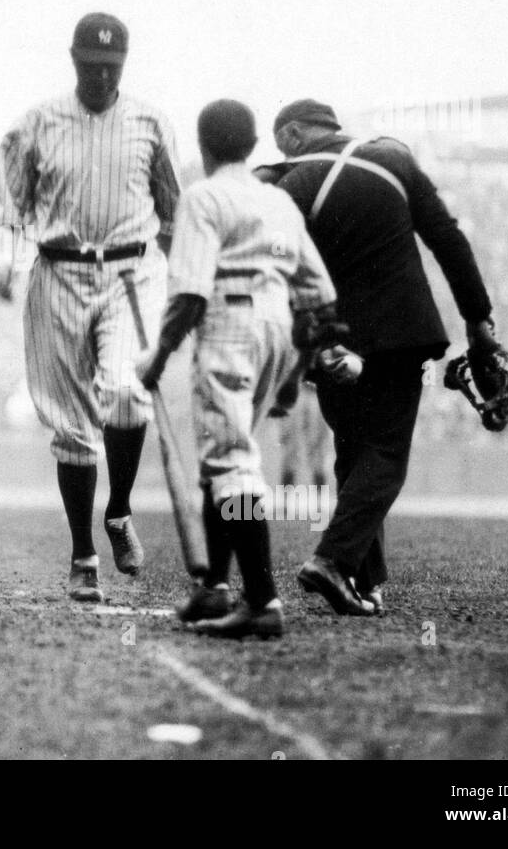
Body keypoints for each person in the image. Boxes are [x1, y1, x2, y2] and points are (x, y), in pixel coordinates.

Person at [269, 99, 499, 617]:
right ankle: (332, 560)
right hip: (400, 333)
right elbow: (446, 238)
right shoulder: (392, 159)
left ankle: (363, 581)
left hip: (332, 339)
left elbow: (272, 267)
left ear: (299, 132)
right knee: (385, 456)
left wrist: (296, 341)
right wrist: (478, 320)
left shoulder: (291, 185)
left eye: (282, 137)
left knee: (354, 454)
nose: (280, 148)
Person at [136, 99, 346, 638]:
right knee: (223, 457)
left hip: (230, 323)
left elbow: (188, 294)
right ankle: (213, 590)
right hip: (278, 323)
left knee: (229, 462)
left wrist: (156, 357)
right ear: (254, 147)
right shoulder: (276, 200)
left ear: (203, 148)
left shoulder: (203, 197)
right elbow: (319, 296)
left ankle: (260, 600)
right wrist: (294, 372)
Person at [0, 12, 181, 602]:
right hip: (59, 269)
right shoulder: (38, 123)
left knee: (127, 391)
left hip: (131, 270)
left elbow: (171, 209)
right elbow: (10, 204)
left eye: (112, 68)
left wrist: (178, 281)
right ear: (73, 61)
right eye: (91, 66)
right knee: (72, 426)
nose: (101, 78)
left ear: (124, 66)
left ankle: (118, 511)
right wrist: (5, 257)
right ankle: (82, 555)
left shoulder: (150, 122)